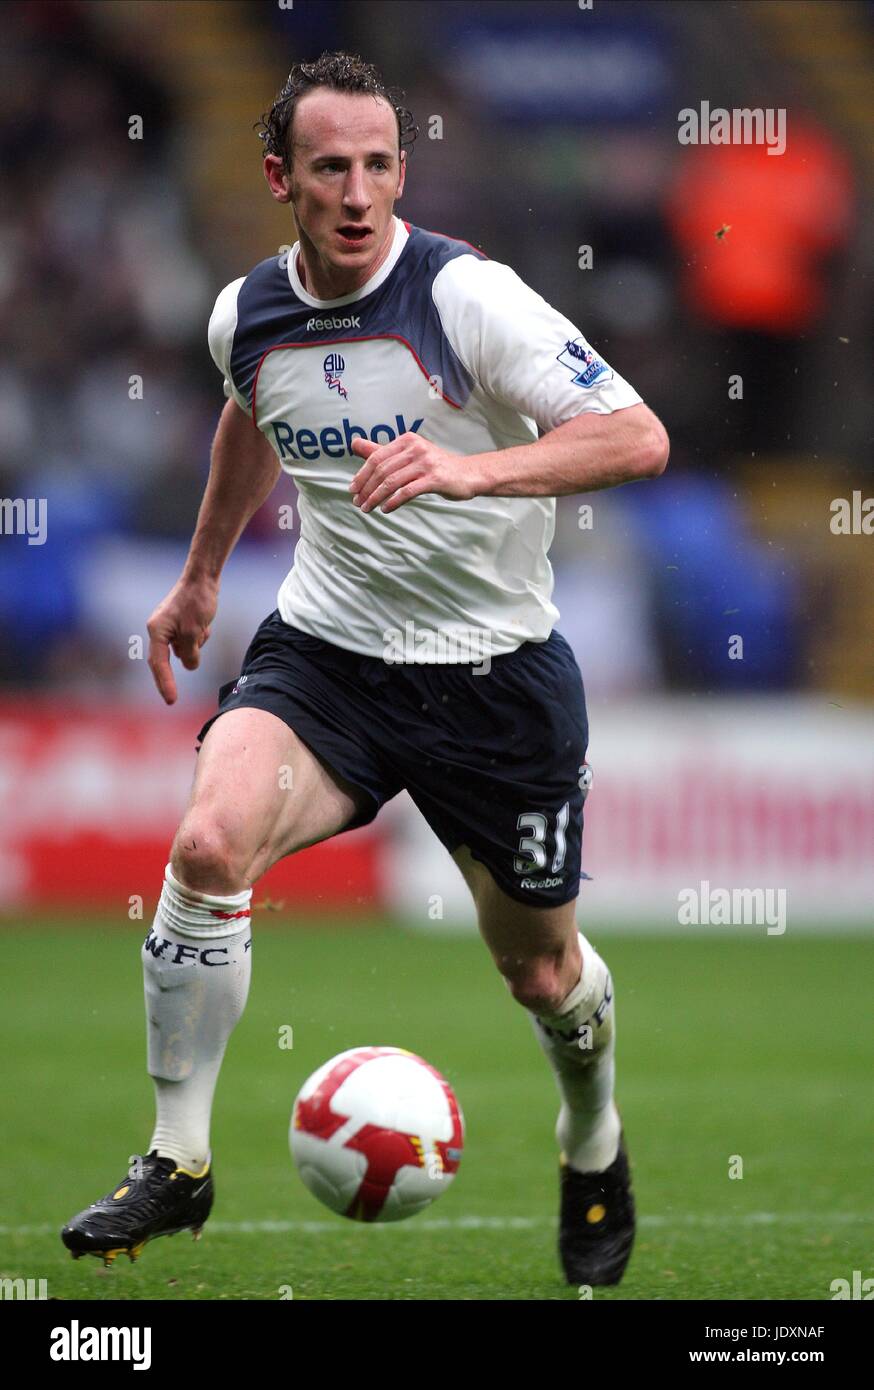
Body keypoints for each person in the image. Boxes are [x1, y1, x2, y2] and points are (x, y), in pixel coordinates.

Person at [62, 51, 668, 1287]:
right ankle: (178, 1160)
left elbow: (637, 435)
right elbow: (253, 413)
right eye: (329, 167)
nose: (356, 191)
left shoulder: (468, 299)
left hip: (497, 680)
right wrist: (200, 578)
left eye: (378, 164)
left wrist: (466, 467)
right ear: (281, 178)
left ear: (403, 171)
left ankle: (591, 1133)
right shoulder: (248, 312)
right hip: (329, 657)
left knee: (541, 971)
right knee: (205, 847)